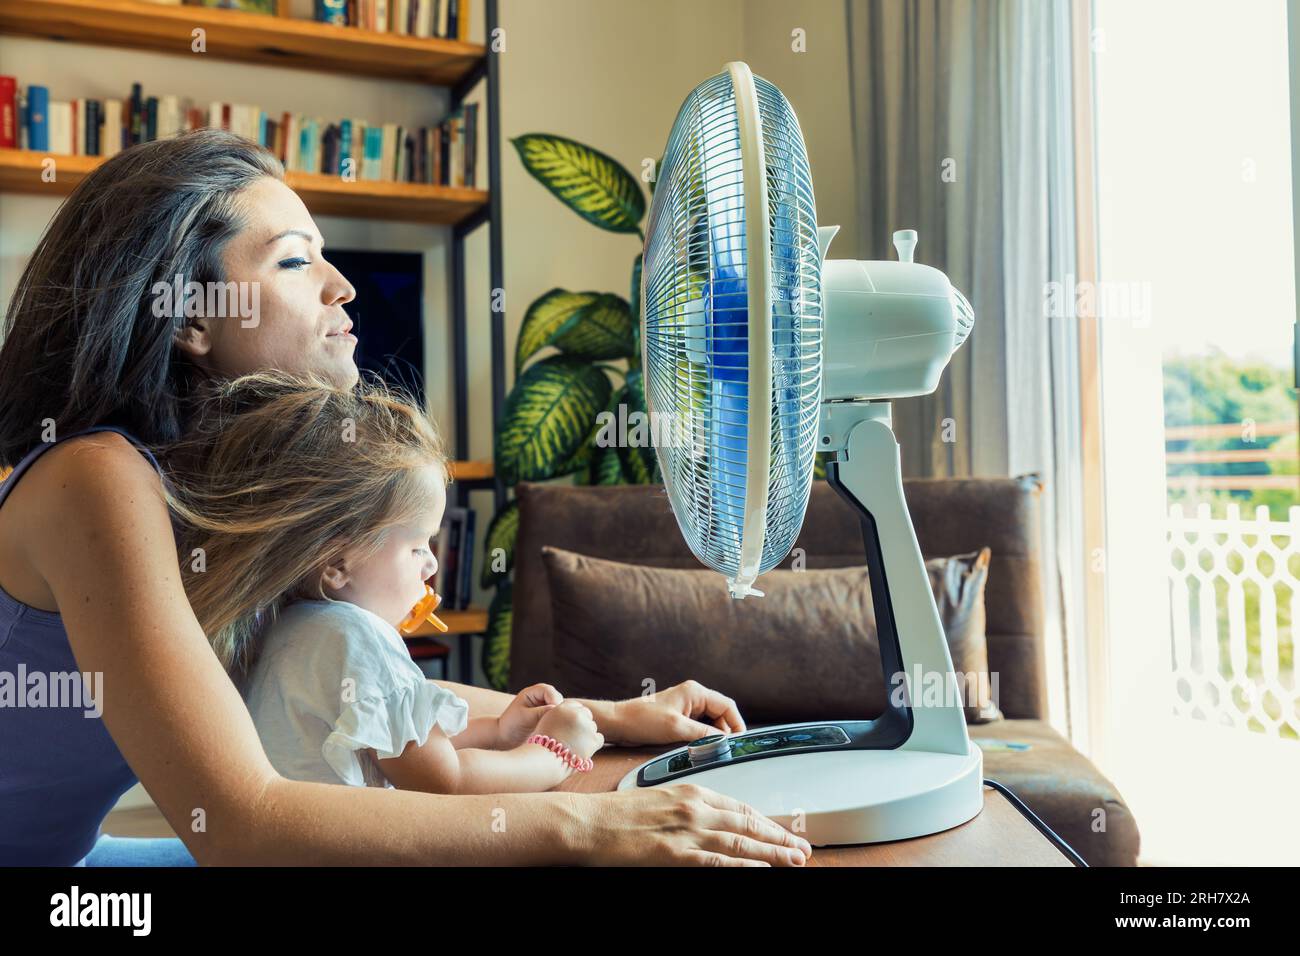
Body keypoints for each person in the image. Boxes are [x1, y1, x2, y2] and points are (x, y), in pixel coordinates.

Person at [0, 129, 812, 866]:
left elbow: (359, 680)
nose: (342, 286)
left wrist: (617, 715)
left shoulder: (216, 492)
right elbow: (245, 824)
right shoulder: (97, 481)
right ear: (190, 319)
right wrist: (587, 827)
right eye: (293, 261)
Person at [167, 370, 604, 794]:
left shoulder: (285, 626)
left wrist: (499, 730)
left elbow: (401, 746)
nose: (431, 565)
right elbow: (443, 780)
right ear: (336, 563)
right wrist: (555, 753)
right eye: (417, 547)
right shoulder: (358, 638)